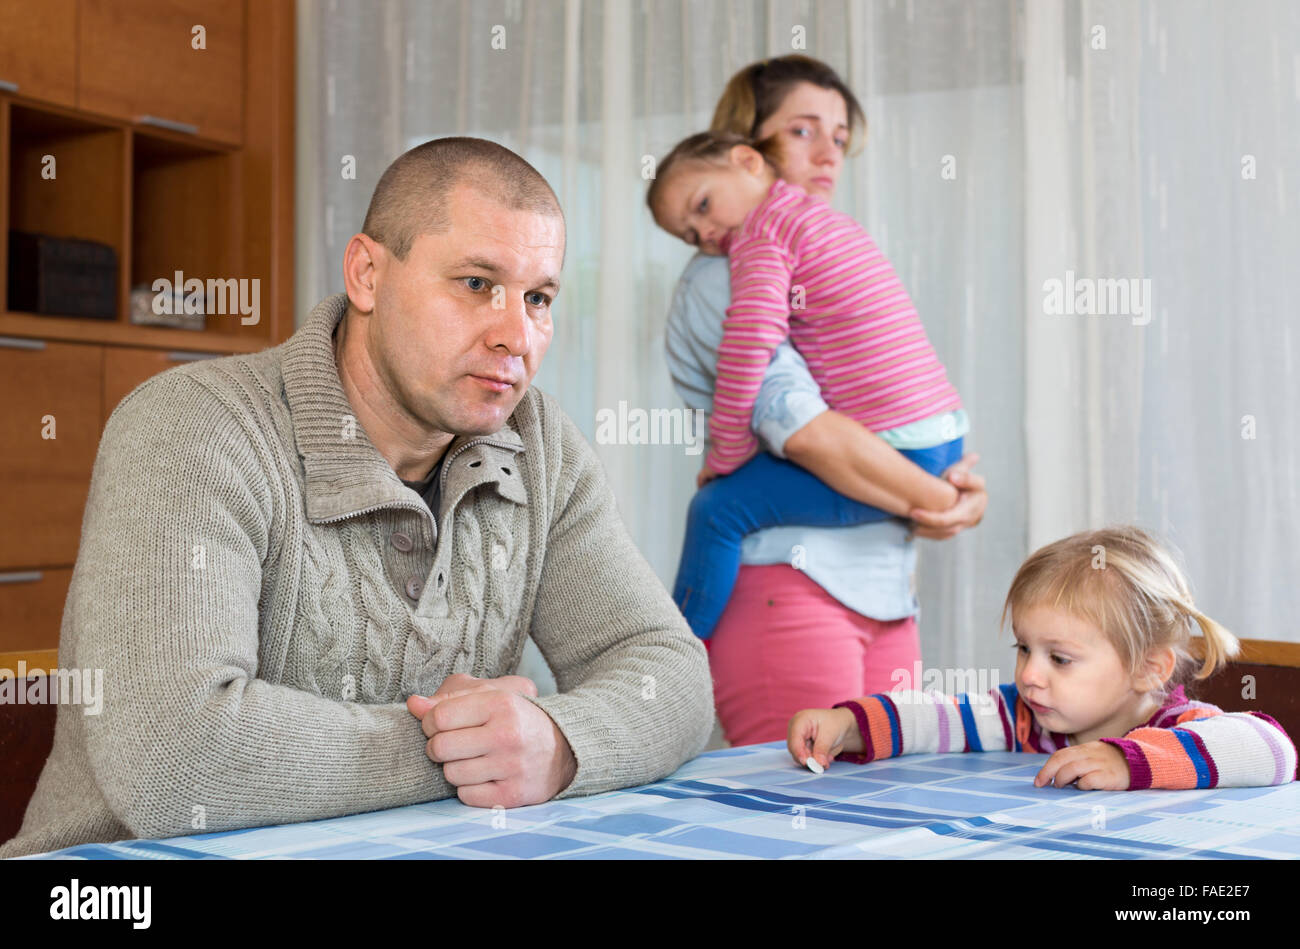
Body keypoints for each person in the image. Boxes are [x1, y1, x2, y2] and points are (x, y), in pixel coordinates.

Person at [0, 137, 714, 858]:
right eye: (475, 283)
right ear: (367, 274)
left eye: (538, 298)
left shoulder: (540, 445)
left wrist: (558, 742)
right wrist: (472, 749)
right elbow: (175, 754)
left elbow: (670, 672)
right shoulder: (193, 427)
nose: (516, 336)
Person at [662, 54, 987, 746]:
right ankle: (659, 660)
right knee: (800, 830)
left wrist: (945, 499)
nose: (829, 153)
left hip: (884, 591)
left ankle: (661, 654)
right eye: (804, 131)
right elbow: (805, 432)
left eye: (839, 136)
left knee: (881, 824)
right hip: (796, 590)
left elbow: (885, 408)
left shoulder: (807, 244)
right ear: (746, 146)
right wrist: (938, 498)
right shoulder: (729, 271)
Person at [649, 130, 968, 640]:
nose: (707, 234)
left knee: (717, 508)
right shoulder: (812, 218)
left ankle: (669, 662)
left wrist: (726, 455)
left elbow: (749, 345)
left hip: (902, 449)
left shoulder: (760, 233)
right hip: (940, 436)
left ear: (749, 161)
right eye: (691, 234)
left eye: (704, 206)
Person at [788, 526, 1298, 790]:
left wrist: (1130, 760)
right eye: (1024, 648)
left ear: (1150, 668)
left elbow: (1273, 750)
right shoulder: (1024, 718)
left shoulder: (1176, 725)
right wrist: (847, 725)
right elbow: (934, 715)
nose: (1029, 675)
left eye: (1060, 659)